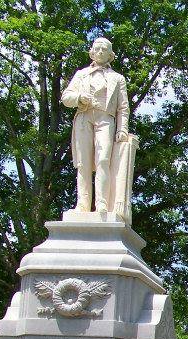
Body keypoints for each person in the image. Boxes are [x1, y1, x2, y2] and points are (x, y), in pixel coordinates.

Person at [61, 37, 130, 213]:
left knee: (103, 160)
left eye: (104, 49)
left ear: (110, 54)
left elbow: (123, 107)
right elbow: (66, 98)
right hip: (84, 117)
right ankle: (82, 205)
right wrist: (79, 98)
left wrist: (122, 128)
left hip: (105, 119)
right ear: (92, 52)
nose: (100, 52)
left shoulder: (118, 78)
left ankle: (102, 203)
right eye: (97, 49)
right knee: (83, 163)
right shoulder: (81, 74)